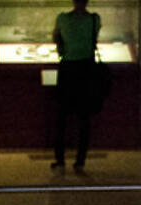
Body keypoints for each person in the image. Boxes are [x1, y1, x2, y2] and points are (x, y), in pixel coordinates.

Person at [51, 0, 100, 174]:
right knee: (84, 118)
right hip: (86, 69)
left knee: (61, 117)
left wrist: (63, 52)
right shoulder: (95, 19)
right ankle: (80, 161)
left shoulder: (62, 18)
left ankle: (60, 160)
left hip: (68, 69)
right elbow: (93, 40)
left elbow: (57, 38)